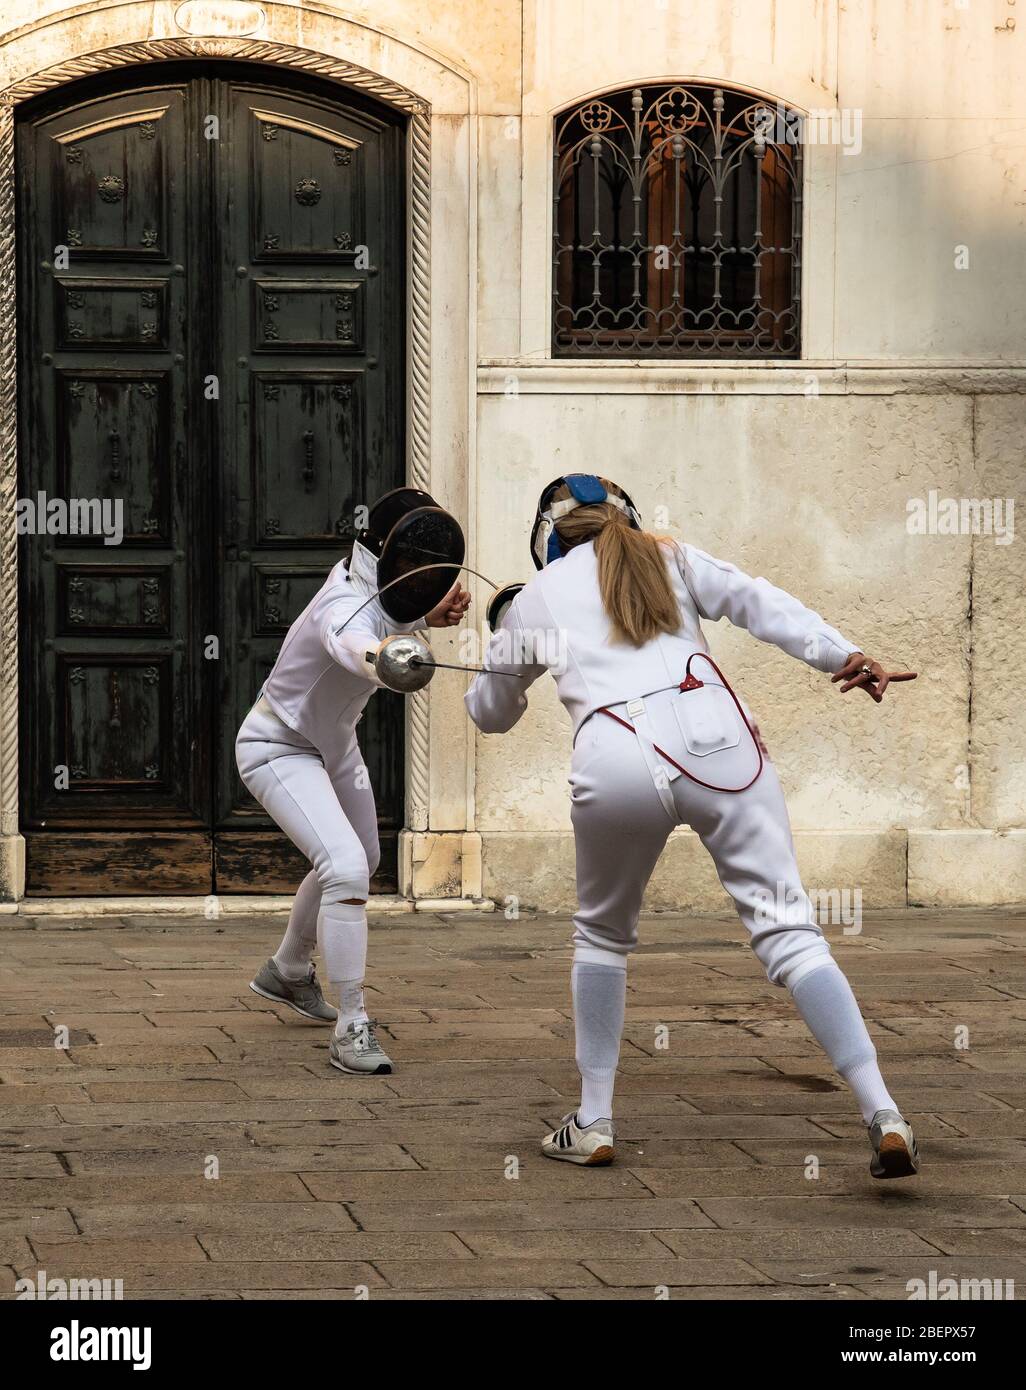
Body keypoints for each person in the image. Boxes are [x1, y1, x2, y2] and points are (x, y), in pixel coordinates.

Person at [465, 474, 920, 1178]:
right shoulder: (668, 554)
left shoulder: (536, 599)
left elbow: (491, 713)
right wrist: (845, 654)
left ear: (548, 537)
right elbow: (759, 602)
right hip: (717, 734)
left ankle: (594, 1120)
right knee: (790, 931)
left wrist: (505, 640)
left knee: (603, 935)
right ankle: (882, 1111)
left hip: (613, 747)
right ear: (626, 517)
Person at [236, 487, 470, 1075]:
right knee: (342, 866)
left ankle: (288, 971)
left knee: (360, 858)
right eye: (412, 564)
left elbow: (385, 613)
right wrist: (390, 657)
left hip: (333, 744)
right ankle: (351, 1025)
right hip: (276, 745)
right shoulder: (339, 605)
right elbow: (357, 642)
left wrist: (426, 617)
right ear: (379, 555)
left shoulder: (375, 594)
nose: (421, 575)